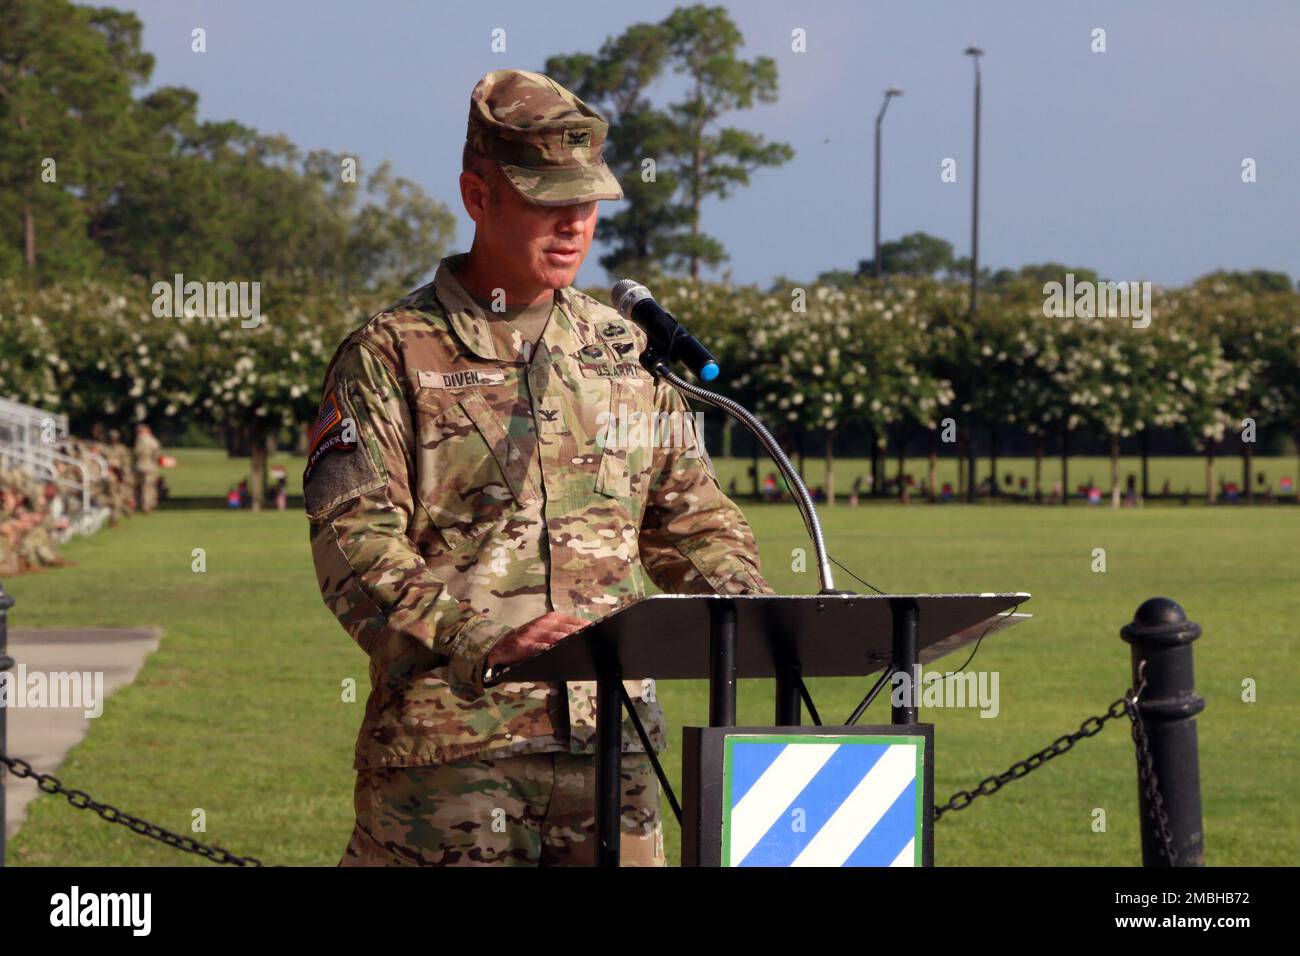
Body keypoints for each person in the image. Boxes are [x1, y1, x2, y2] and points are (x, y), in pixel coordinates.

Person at [304, 69, 772, 868]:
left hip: (612, 749)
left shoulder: (622, 352)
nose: (574, 225)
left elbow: (686, 515)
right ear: (477, 195)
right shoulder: (389, 354)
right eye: (548, 201)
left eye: (586, 203)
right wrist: (482, 639)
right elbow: (355, 542)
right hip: (452, 753)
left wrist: (758, 610)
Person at [133, 424, 162, 513]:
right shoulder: (153, 441)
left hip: (139, 466)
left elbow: (136, 453)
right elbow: (157, 455)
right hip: (151, 466)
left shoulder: (139, 441)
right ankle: (149, 504)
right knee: (149, 487)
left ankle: (145, 504)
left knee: (142, 487)